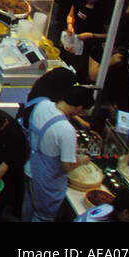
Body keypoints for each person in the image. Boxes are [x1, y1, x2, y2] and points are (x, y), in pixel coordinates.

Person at [23, 85, 92, 222]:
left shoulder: (42, 104)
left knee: (28, 208)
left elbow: (48, 140)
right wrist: (83, 160)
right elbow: (66, 166)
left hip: (30, 169)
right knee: (42, 217)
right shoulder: (66, 130)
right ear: (79, 108)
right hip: (46, 182)